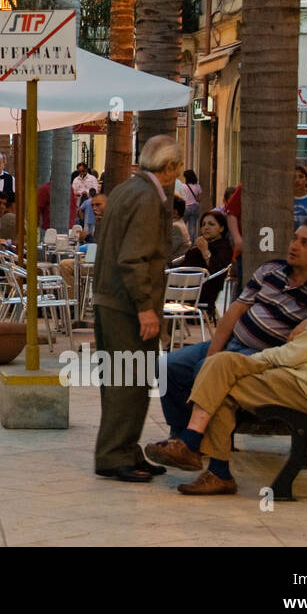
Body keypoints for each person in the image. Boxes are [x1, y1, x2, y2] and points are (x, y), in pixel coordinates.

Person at [145, 238, 307, 495]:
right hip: (305, 380)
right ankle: (199, 452)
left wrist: (252, 362)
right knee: (220, 366)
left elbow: (296, 354)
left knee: (222, 378)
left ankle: (198, 450)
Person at [157, 219, 307, 438]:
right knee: (167, 365)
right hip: (232, 342)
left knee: (206, 370)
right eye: (294, 239)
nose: (294, 246)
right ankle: (179, 434)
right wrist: (213, 352)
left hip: (261, 357)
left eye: (305, 243)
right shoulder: (271, 270)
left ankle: (196, 439)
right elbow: (235, 310)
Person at [91, 135, 183, 483]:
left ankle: (126, 449)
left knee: (127, 378)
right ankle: (114, 455)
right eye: (178, 166)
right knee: (128, 381)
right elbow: (134, 257)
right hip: (126, 305)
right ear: (170, 167)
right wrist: (146, 307)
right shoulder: (147, 197)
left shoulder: (125, 190)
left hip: (112, 299)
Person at [173, 210, 235, 309]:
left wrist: (205, 251)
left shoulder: (223, 247)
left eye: (211, 224)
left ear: (221, 228)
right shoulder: (202, 243)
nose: (206, 227)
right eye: (203, 224)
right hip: (181, 285)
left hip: (199, 290)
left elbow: (216, 271)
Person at [175, 169, 202, 242]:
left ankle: (183, 240)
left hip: (186, 207)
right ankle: (191, 243)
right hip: (195, 207)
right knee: (192, 226)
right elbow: (199, 199)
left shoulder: (183, 186)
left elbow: (181, 197)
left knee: (182, 225)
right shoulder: (197, 186)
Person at [170, 196, 191, 260]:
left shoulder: (175, 227)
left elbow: (166, 250)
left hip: (173, 264)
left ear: (175, 212)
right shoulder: (179, 222)